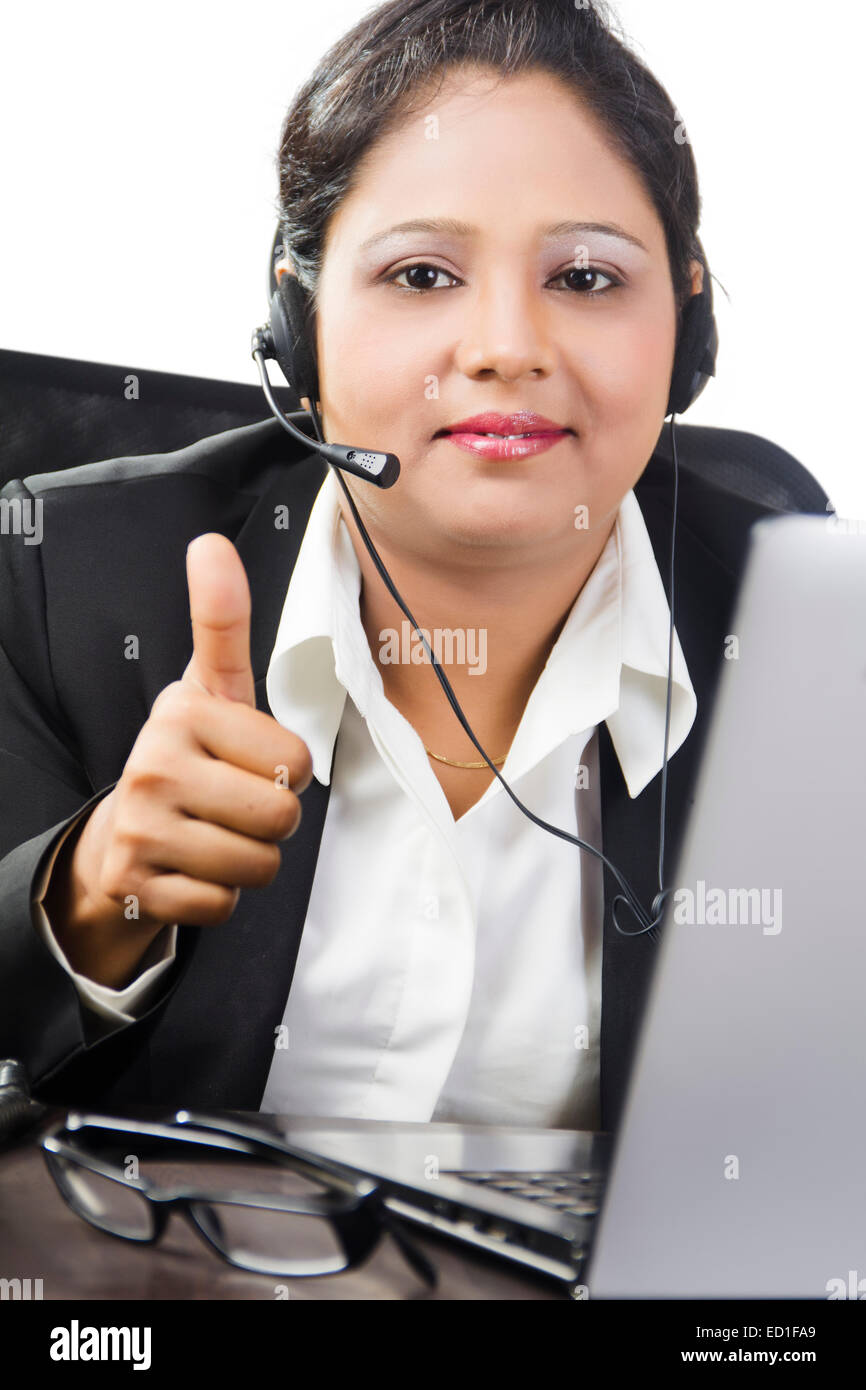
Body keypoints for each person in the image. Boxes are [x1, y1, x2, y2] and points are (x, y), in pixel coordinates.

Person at [0, 0, 801, 1132]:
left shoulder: (806, 653)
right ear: (296, 321)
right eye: (422, 275)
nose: (506, 346)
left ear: (686, 324)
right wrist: (84, 899)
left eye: (584, 278)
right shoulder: (51, 583)